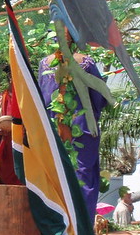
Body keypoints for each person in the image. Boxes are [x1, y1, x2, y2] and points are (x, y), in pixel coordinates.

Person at [38, 42, 107, 222]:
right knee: (83, 176)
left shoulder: (44, 64)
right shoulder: (86, 63)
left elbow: (42, 98)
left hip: (52, 130)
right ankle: (82, 232)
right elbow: (99, 96)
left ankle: (59, 230)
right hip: (83, 127)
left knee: (56, 178)